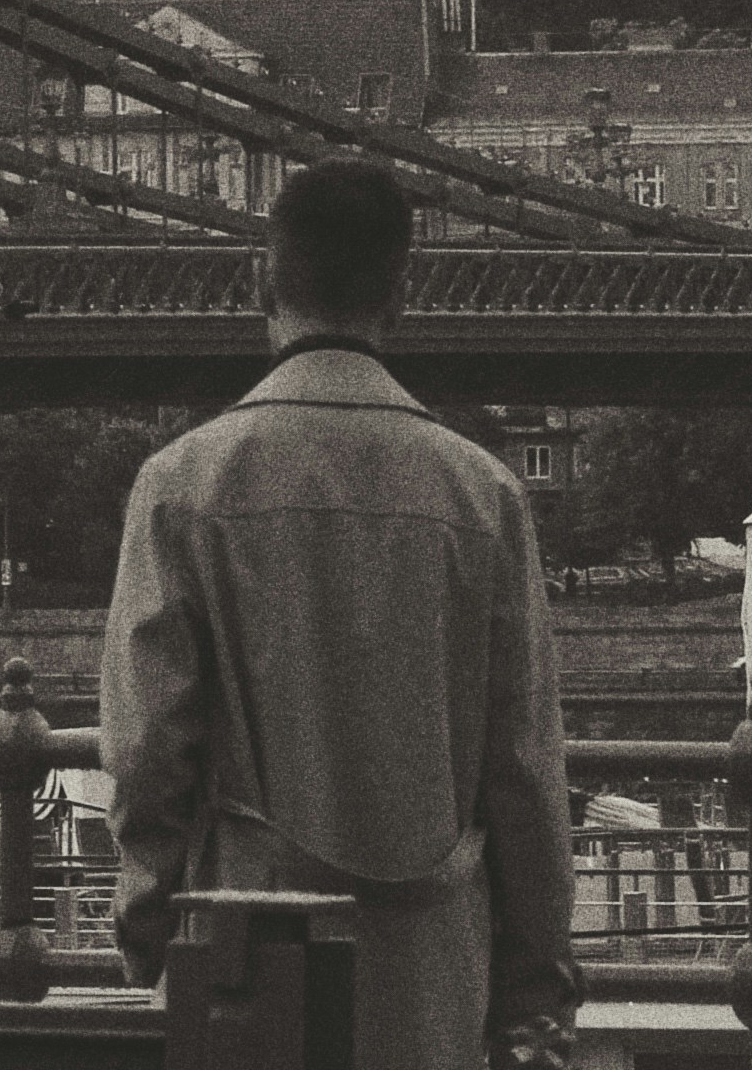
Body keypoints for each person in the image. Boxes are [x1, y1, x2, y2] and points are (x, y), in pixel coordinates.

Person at [101, 160, 577, 1070]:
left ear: (260, 283)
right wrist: (532, 982)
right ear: (402, 295)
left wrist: (146, 925)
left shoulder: (179, 489)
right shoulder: (487, 496)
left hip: (243, 961)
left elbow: (147, 750)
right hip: (432, 976)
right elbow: (523, 772)